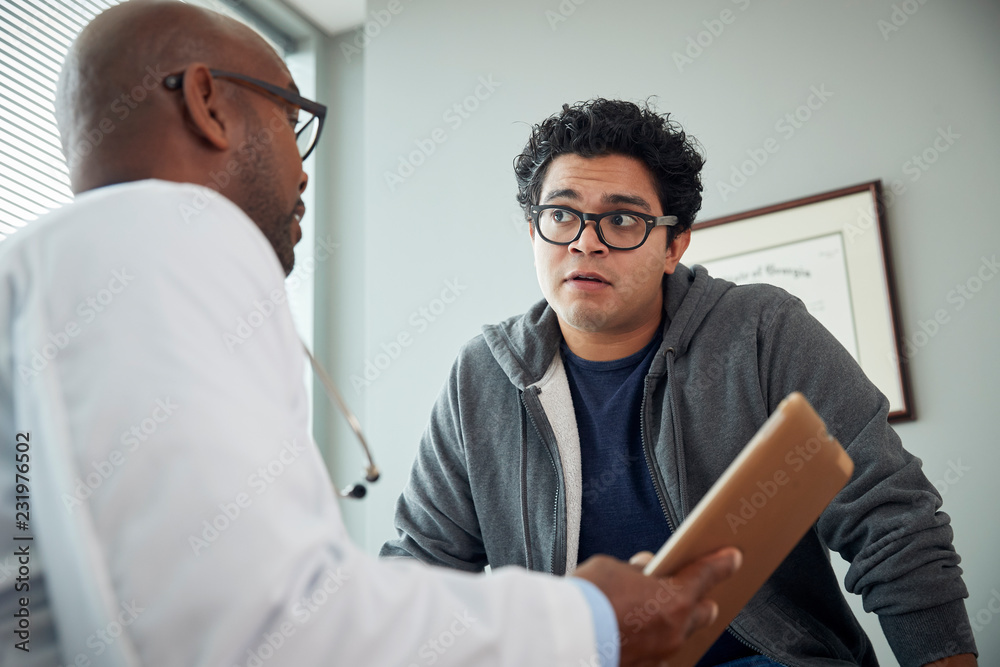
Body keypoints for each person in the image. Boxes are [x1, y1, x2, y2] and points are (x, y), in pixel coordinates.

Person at [0, 3, 743, 666]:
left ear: (673, 243)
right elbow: (258, 634)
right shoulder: (173, 240)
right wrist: (590, 621)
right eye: (292, 119)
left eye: (621, 219)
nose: (304, 173)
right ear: (207, 103)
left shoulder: (37, 279)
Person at [381, 99, 979, 667]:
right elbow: (422, 569)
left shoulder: (762, 330)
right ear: (533, 232)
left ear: (674, 245)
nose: (585, 241)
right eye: (560, 215)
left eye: (622, 219)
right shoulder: (481, 377)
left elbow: (890, 518)